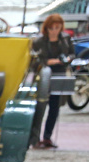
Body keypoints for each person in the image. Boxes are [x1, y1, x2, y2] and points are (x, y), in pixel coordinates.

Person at [32, 14, 73, 149]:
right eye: (52, 28)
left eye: (57, 27)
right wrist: (49, 62)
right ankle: (35, 138)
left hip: (59, 75)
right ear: (47, 28)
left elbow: (72, 53)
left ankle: (47, 137)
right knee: (40, 107)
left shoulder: (66, 38)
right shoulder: (39, 41)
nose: (54, 31)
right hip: (43, 75)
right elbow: (34, 60)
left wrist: (67, 59)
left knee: (54, 108)